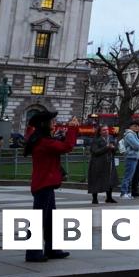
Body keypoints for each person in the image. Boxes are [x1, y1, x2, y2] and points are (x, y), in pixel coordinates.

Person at [23, 110, 79, 262]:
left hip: (45, 183)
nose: (54, 124)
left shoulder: (39, 139)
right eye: (52, 122)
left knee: (50, 219)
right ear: (44, 124)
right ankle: (32, 252)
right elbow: (67, 146)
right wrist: (72, 129)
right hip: (44, 184)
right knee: (39, 219)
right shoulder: (44, 142)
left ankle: (51, 248)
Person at [87, 125, 118, 204]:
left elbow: (114, 151)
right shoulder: (96, 140)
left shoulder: (110, 139)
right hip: (98, 164)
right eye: (104, 130)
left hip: (109, 163)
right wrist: (107, 147)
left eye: (107, 129)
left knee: (109, 180)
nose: (106, 131)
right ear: (100, 132)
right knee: (96, 180)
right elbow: (95, 152)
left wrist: (114, 148)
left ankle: (109, 197)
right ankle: (94, 198)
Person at [119, 120, 139, 200]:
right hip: (130, 156)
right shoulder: (130, 135)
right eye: (135, 126)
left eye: (137, 126)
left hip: (134, 156)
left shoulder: (133, 134)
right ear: (131, 127)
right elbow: (138, 146)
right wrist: (138, 145)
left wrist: (138, 144)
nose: (137, 127)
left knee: (130, 176)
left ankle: (127, 192)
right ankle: (123, 193)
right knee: (128, 176)